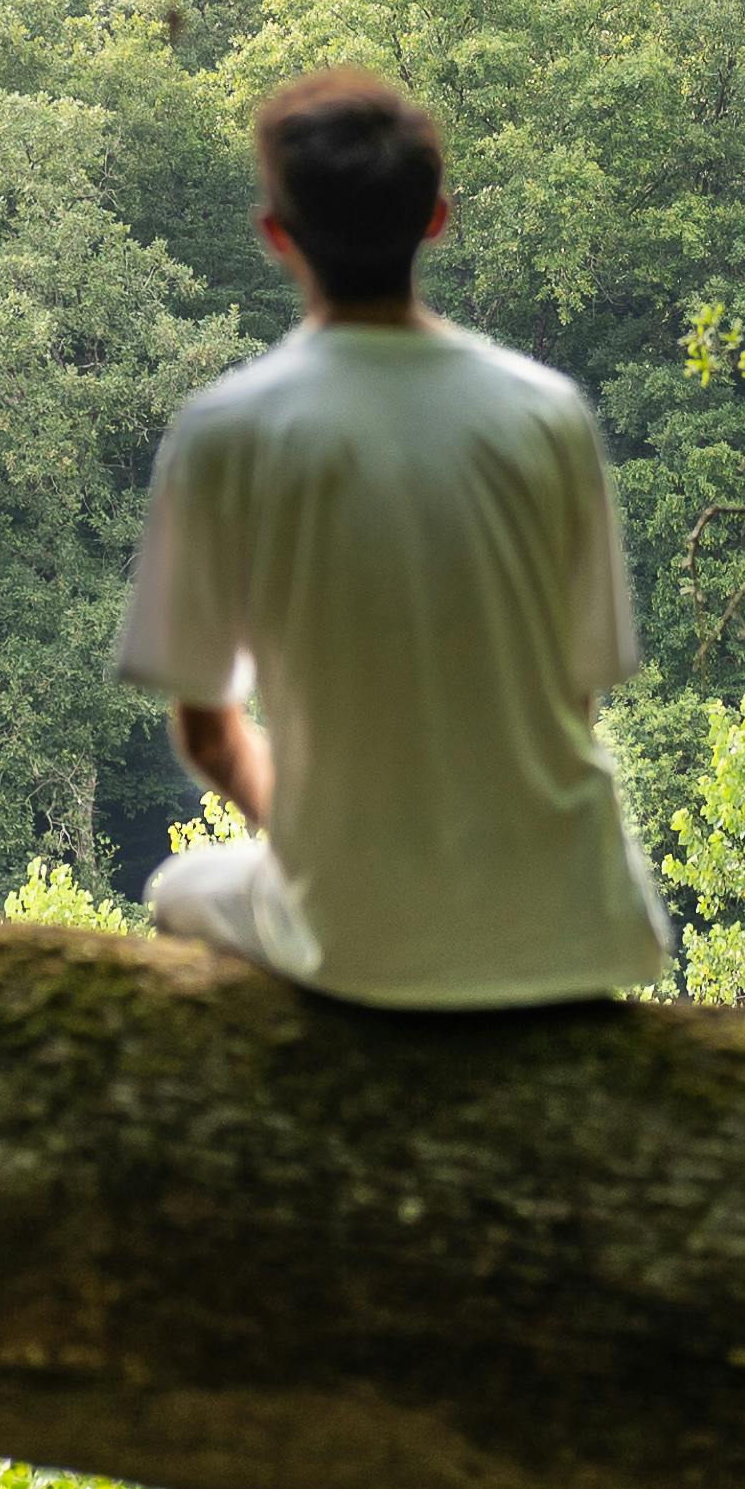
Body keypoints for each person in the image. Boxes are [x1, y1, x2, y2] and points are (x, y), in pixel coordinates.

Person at [112, 67, 673, 1008]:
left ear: (276, 237)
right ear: (436, 219)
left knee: (177, 890)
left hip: (356, 942)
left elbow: (209, 735)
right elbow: (576, 699)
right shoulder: (548, 414)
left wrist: (316, 841)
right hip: (574, 924)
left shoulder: (226, 430)